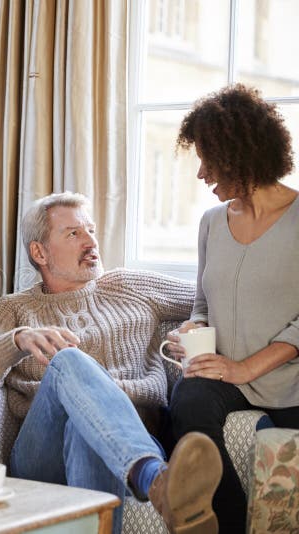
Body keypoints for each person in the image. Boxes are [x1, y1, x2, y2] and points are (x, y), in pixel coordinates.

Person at [0, 192, 223, 534]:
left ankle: (153, 480)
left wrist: (196, 322)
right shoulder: (15, 308)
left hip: (129, 441)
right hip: (41, 456)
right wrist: (17, 340)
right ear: (40, 252)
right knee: (67, 361)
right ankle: (154, 479)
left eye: (90, 230)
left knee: (85, 429)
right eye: (73, 233)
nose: (91, 241)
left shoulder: (130, 286)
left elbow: (214, 295)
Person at [168, 84, 299, 533]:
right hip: (228, 378)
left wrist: (245, 368)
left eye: (209, 158)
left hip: (289, 381)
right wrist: (193, 328)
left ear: (241, 153)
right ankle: (222, 520)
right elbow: (201, 303)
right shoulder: (211, 223)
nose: (202, 173)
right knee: (187, 399)